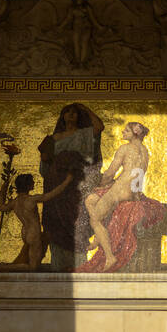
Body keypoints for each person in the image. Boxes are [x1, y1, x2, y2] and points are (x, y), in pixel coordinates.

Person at [77, 122, 167, 273]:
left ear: (135, 133)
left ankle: (109, 256)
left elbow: (110, 173)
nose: (123, 132)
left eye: (126, 130)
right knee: (91, 200)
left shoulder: (125, 148)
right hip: (133, 191)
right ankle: (98, 239)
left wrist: (100, 184)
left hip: (119, 190)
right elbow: (133, 174)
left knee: (95, 218)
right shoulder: (145, 151)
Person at [37, 103, 104, 270]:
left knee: (77, 220)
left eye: (74, 112)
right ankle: (58, 266)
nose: (71, 115)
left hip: (76, 184)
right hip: (55, 184)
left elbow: (99, 127)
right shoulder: (52, 139)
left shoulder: (84, 135)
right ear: (63, 116)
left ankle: (79, 266)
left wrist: (86, 109)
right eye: (67, 112)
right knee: (56, 223)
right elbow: (44, 164)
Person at [0, 170, 73, 271]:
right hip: (34, 232)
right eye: (31, 181)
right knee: (32, 267)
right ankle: (5, 267)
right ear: (27, 185)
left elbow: (1, 207)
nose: (34, 183)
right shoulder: (31, 199)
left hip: (25, 232)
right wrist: (67, 181)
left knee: (33, 263)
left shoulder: (15, 202)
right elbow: (51, 194)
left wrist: (3, 190)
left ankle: (5, 267)